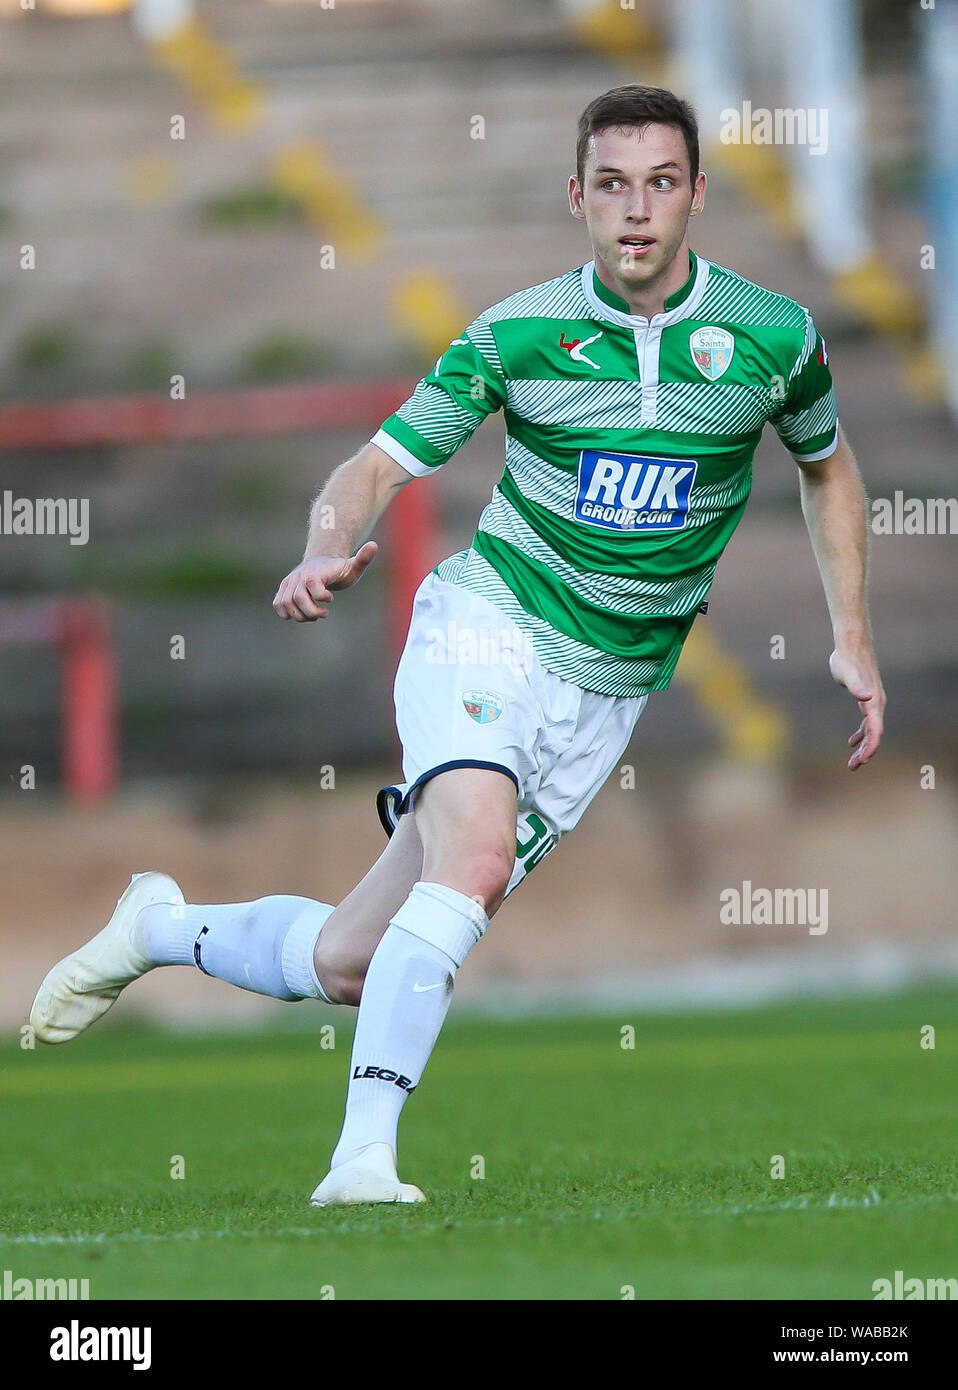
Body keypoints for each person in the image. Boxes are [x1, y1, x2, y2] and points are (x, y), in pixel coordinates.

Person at [30, 85, 885, 1206]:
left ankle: (158, 922)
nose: (637, 211)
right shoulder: (516, 332)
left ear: (696, 196)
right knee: (473, 862)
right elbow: (375, 467)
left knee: (348, 959)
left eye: (661, 184)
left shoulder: (771, 338)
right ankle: (361, 1163)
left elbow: (828, 466)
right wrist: (321, 545)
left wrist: (853, 635)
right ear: (576, 196)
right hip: (488, 626)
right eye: (613, 185)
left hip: (605, 694)